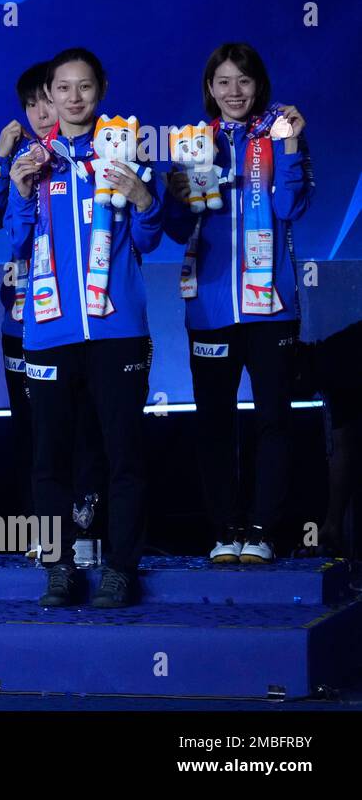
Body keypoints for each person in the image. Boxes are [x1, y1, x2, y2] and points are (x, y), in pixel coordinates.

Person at [5, 47, 161, 608]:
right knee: (49, 457)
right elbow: (18, 244)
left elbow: (147, 240)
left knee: (123, 453)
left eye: (85, 87)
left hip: (117, 330)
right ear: (49, 96)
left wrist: (145, 200)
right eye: (62, 89)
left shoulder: (122, 154)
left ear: (101, 91)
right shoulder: (33, 160)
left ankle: (121, 567)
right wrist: (21, 194)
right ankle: (58, 567)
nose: (74, 98)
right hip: (48, 333)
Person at [162, 43, 310, 563]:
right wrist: (177, 194)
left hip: (272, 306)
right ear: (209, 89)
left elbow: (291, 206)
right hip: (210, 307)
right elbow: (175, 228)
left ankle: (264, 531)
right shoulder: (192, 144)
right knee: (214, 421)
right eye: (223, 82)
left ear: (258, 85)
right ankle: (225, 529)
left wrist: (290, 149)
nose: (233, 92)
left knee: (274, 419)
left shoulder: (279, 136)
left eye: (243, 81)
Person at [0, 63, 108, 557]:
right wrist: (1, 162)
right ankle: (42, 536)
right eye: (34, 103)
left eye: (50, 99)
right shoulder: (21, 162)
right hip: (23, 319)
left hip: (81, 320)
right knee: (34, 433)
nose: (44, 111)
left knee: (87, 427)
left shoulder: (92, 155)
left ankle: (88, 531)